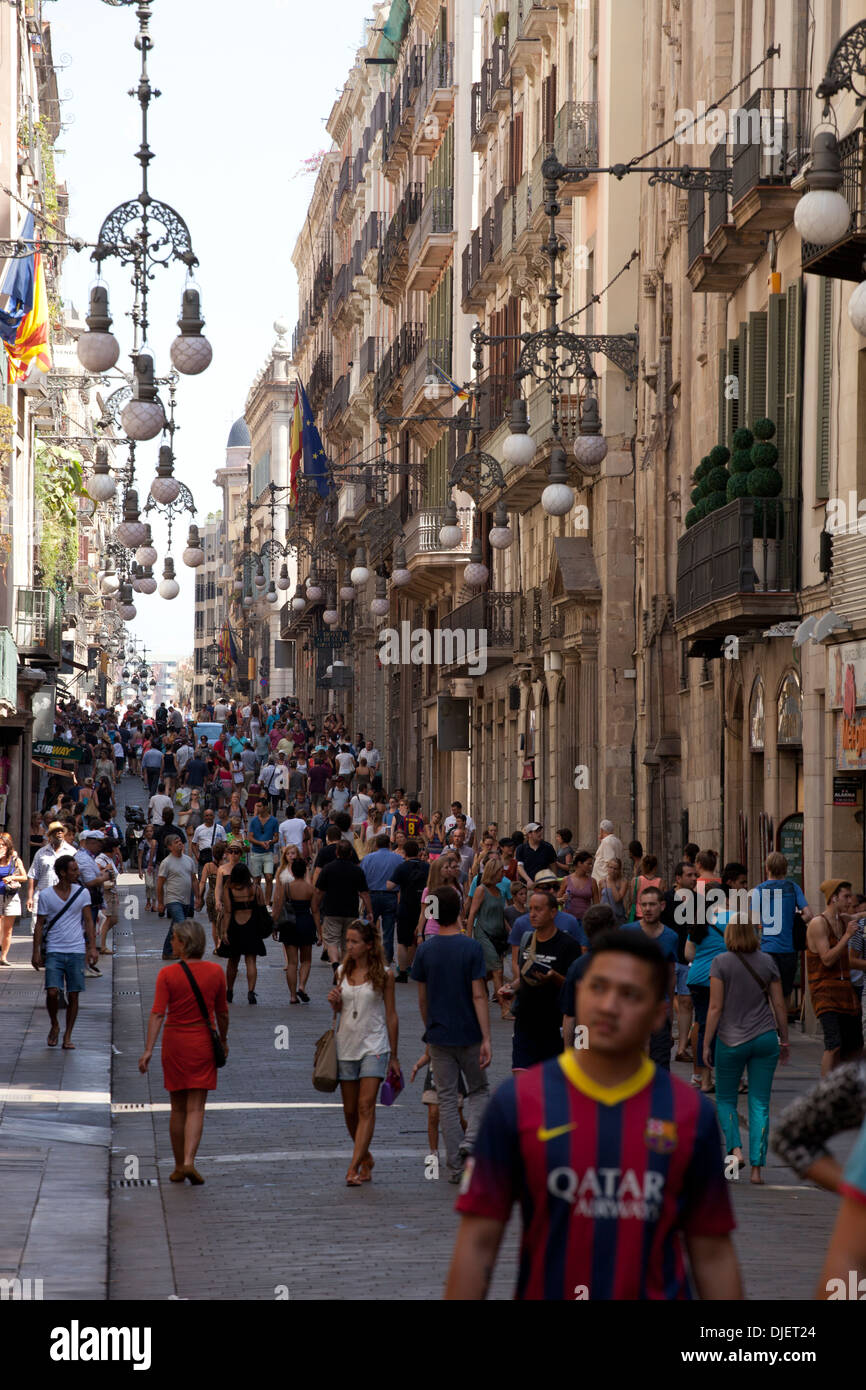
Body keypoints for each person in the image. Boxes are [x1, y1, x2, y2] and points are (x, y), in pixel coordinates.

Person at [446, 931, 742, 1301]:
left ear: (658, 1014)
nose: (609, 1005)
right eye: (597, 988)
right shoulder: (517, 1103)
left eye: (629, 994)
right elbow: (478, 1241)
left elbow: (712, 1252)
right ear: (577, 996)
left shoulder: (690, 1114)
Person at [137, 918, 229, 1185]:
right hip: (202, 1043)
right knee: (196, 1107)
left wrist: (148, 1050)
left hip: (174, 1043)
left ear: (184, 943)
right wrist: (224, 1039)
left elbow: (157, 1014)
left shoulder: (167, 975)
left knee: (177, 1108)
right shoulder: (215, 972)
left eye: (175, 939)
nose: (172, 943)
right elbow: (222, 1014)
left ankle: (179, 1165)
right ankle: (189, 1161)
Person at [410, 885, 491, 1183]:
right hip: (469, 1032)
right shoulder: (471, 948)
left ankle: (456, 1164)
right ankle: (471, 1141)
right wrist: (487, 1038)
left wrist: (429, 1029)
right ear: (458, 911)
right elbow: (479, 995)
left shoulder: (426, 950)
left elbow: (422, 999)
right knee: (479, 1090)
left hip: (440, 1035)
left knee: (446, 1098)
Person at [703, 913, 789, 1184]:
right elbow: (779, 1005)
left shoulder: (720, 963)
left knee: (726, 1100)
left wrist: (705, 1042)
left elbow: (715, 1007)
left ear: (729, 934)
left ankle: (735, 1153)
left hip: (730, 1039)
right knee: (760, 1102)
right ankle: (756, 1170)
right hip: (764, 1037)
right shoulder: (768, 962)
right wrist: (784, 1039)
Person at [327, 919, 399, 1186]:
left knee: (366, 1106)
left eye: (355, 942)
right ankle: (366, 1156)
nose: (349, 946)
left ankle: (353, 1167)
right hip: (346, 1045)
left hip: (375, 1046)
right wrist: (334, 1003)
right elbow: (340, 1009)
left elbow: (391, 1015)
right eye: (347, 941)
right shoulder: (342, 972)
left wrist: (394, 1055)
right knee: (349, 1111)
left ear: (369, 945)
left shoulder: (385, 974)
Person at [499, 890, 583, 1070]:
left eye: (538, 909)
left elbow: (575, 988)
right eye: (530, 909)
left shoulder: (568, 945)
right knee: (522, 1084)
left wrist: (554, 977)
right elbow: (524, 977)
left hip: (553, 1026)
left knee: (550, 1087)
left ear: (553, 912)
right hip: (525, 1022)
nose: (532, 914)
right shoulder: (527, 940)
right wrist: (511, 988)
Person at [31, 854, 99, 1049]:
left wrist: (92, 947)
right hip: (54, 949)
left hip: (76, 950)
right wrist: (35, 951)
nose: (77, 873)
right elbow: (39, 925)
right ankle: (54, 1024)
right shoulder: (46, 895)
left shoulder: (82, 893)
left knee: (74, 994)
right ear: (62, 873)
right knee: (52, 992)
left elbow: (88, 920)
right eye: (74, 870)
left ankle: (68, 1035)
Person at [806, 879, 863, 1075]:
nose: (850, 900)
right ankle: (824, 1093)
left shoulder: (842, 919)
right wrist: (847, 936)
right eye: (846, 896)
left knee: (854, 1047)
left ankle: (845, 1090)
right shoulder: (818, 923)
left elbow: (860, 914)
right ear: (833, 898)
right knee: (834, 1044)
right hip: (824, 992)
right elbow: (827, 959)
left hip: (845, 992)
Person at [749, 851, 811, 1006]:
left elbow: (752, 920)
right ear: (786, 869)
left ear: (767, 868)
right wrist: (793, 923)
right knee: (785, 992)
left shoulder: (759, 890)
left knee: (768, 991)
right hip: (788, 948)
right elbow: (808, 914)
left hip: (766, 947)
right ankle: (783, 1025)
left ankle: (771, 1025)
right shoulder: (793, 887)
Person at [628, 885, 678, 1069]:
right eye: (644, 905)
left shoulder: (670, 936)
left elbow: (670, 975)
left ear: (662, 906)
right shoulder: (628, 933)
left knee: (660, 1064)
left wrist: (671, 1012)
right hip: (632, 1009)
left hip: (659, 1009)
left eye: (652, 904)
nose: (647, 909)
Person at [312, 840, 373, 970]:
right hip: (351, 911)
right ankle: (344, 968)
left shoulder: (328, 868)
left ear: (336, 852)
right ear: (351, 853)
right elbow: (364, 893)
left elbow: (319, 891)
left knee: (332, 941)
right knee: (348, 943)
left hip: (331, 910)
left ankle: (335, 964)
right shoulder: (357, 870)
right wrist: (369, 911)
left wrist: (315, 905)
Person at [663, 859, 699, 1066]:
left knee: (686, 1002)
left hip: (687, 958)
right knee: (666, 1001)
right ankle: (665, 1038)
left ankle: (683, 1047)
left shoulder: (698, 900)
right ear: (678, 878)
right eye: (689, 875)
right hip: (669, 957)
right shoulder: (667, 898)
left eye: (695, 875)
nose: (694, 879)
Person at [218, 861, 270, 1005]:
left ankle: (230, 991)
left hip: (234, 927)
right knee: (251, 961)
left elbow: (227, 912)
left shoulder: (229, 889)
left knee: (232, 962)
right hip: (252, 927)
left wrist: (224, 932)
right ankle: (251, 991)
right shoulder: (255, 889)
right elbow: (262, 908)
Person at [466, 857, 510, 1020]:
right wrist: (468, 937)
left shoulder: (499, 892)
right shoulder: (481, 890)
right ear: (493, 872)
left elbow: (501, 915)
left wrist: (510, 931)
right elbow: (472, 914)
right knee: (498, 969)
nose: (503, 874)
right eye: (500, 871)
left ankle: (476, 994)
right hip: (483, 934)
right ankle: (505, 1008)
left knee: (486, 973)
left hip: (498, 936)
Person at [272, 851, 317, 1003]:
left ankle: (292, 996)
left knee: (292, 963)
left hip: (289, 924)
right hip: (306, 922)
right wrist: (320, 932)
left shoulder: (286, 887)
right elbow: (315, 911)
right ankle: (302, 986)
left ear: (292, 871)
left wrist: (274, 925)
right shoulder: (310, 889)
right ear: (305, 871)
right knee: (306, 960)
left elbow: (278, 906)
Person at [388, 838, 429, 981]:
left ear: (404, 852)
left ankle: (403, 972)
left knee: (402, 941)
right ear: (418, 852)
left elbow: (390, 886)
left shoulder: (402, 867)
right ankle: (414, 967)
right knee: (417, 938)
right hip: (424, 907)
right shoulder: (426, 867)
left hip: (405, 906)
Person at [361, 832, 403, 967]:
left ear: (376, 845)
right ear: (389, 844)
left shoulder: (367, 859)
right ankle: (386, 960)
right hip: (390, 896)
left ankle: (366, 955)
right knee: (388, 931)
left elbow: (362, 878)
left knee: (367, 927)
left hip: (371, 896)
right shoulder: (398, 859)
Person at [157, 834, 201, 960]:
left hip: (186, 900)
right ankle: (187, 951)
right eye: (176, 842)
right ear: (170, 847)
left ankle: (167, 952)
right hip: (173, 899)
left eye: (180, 841)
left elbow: (194, 880)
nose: (180, 843)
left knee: (175, 926)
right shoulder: (166, 863)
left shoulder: (189, 860)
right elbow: (160, 884)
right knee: (181, 924)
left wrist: (198, 897)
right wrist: (160, 903)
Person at [26, 821, 66, 922]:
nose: (59, 833)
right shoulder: (41, 853)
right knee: (38, 927)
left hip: (63, 896)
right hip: (42, 894)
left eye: (61, 831)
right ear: (50, 835)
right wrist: (30, 897)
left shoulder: (71, 851)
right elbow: (33, 875)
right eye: (56, 831)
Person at [0, 832, 26, 965]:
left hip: (11, 896)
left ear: (8, 846)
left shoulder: (15, 860)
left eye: (3, 845)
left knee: (8, 929)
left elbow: (24, 877)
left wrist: (12, 877)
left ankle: (3, 957)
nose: (1, 848)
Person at [248, 798, 279, 907]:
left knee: (269, 877)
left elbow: (277, 838)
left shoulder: (274, 821)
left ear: (265, 807)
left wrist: (269, 842)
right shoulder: (254, 820)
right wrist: (260, 843)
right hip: (256, 852)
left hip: (268, 852)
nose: (257, 808)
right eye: (257, 806)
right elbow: (250, 838)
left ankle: (266, 903)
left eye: (260, 806)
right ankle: (258, 902)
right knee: (256, 879)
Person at [199, 840, 227, 953]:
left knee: (215, 923)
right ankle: (222, 944)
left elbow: (202, 882)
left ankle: (217, 947)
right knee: (223, 922)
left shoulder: (208, 866)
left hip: (210, 896)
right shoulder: (226, 867)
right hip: (223, 897)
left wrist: (199, 897)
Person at [557, 849, 598, 923]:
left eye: (591, 864)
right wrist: (562, 899)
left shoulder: (592, 881)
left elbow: (596, 904)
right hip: (568, 919)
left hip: (585, 921)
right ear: (579, 863)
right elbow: (557, 899)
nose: (591, 866)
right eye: (588, 864)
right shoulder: (566, 879)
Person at [514, 822, 556, 887]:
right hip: (527, 885)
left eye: (540, 831)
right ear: (529, 834)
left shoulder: (548, 847)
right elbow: (520, 867)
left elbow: (553, 866)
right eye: (536, 831)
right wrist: (528, 880)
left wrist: (553, 881)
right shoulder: (521, 849)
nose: (540, 833)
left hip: (544, 885)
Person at [591, 818, 625, 884]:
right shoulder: (617, 841)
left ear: (602, 830)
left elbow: (610, 861)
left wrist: (609, 881)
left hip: (603, 879)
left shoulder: (606, 841)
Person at [632, 854, 664, 919]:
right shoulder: (661, 882)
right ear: (655, 867)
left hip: (640, 914)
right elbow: (662, 899)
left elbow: (632, 899)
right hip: (654, 914)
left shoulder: (636, 880)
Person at [600, 857, 629, 926]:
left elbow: (617, 899)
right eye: (610, 867)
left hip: (618, 917)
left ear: (619, 870)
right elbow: (600, 899)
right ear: (607, 867)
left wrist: (611, 881)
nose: (612, 870)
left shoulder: (623, 882)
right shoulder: (602, 882)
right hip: (604, 917)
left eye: (615, 869)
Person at [138, 824, 159, 913]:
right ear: (145, 833)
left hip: (156, 866)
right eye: (147, 831)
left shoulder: (156, 842)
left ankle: (154, 903)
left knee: (155, 885)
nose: (149, 833)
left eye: (151, 831)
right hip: (147, 866)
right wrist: (140, 870)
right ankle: (148, 901)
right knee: (149, 885)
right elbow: (140, 856)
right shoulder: (143, 843)